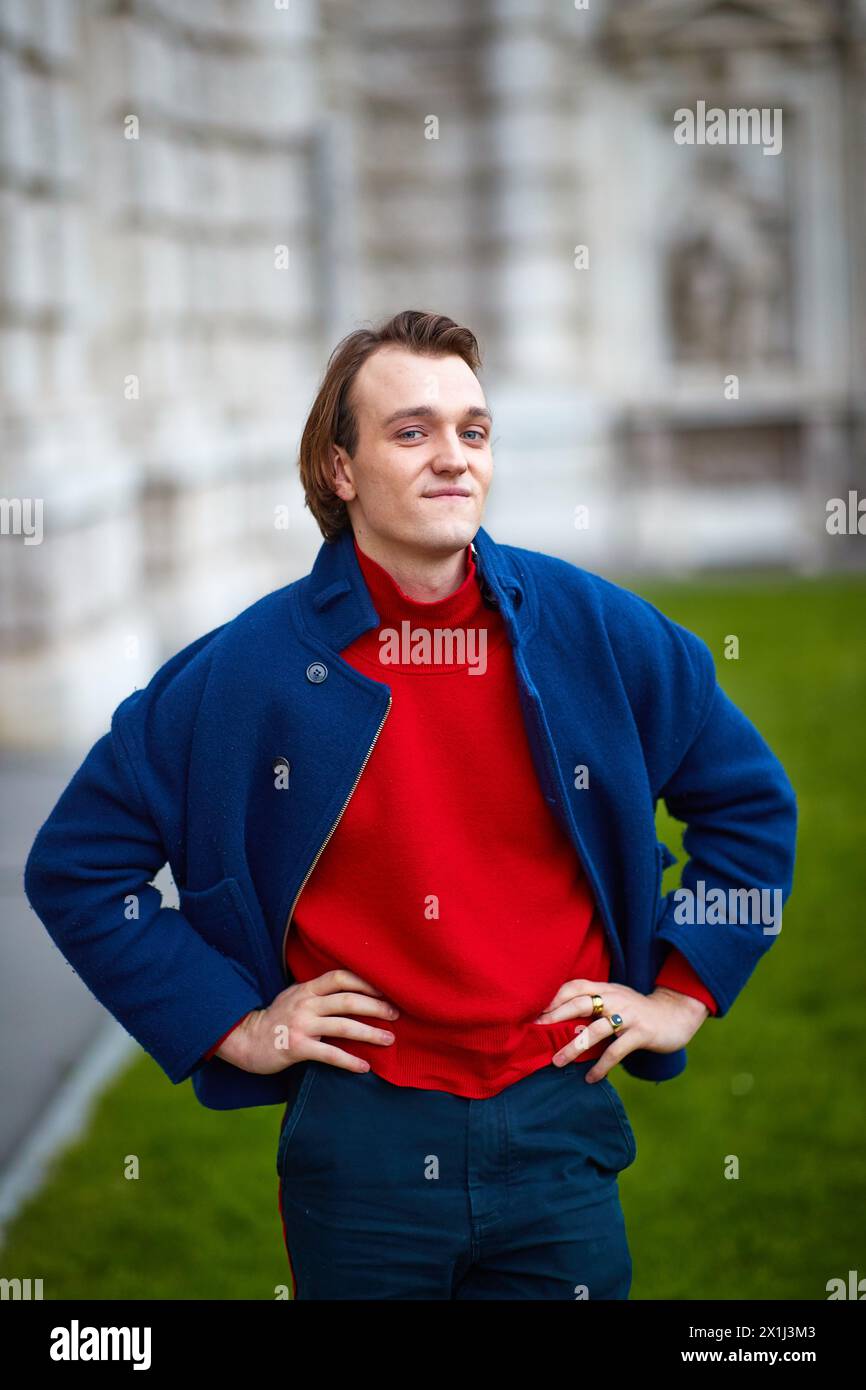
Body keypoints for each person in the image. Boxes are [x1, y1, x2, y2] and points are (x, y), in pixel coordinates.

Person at [24, 309, 797, 1300]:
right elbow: (78, 867)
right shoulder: (245, 671)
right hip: (361, 1141)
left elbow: (748, 806)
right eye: (410, 431)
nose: (451, 458)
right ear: (338, 469)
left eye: (471, 431)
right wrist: (234, 1023)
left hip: (557, 1118)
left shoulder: (592, 629)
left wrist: (680, 994)